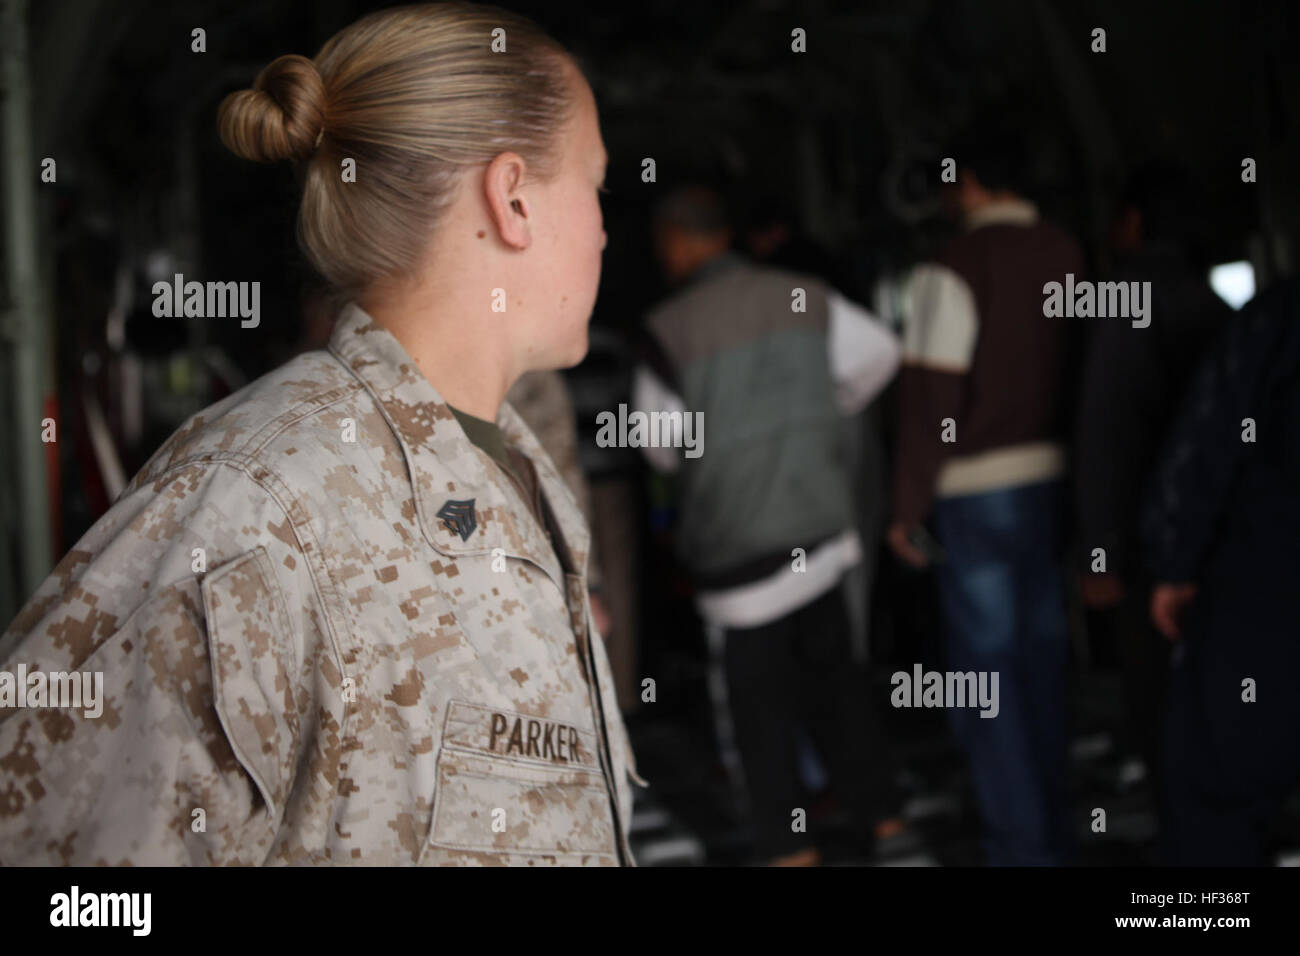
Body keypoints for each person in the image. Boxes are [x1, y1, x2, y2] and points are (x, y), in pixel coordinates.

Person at [0, 2, 645, 865]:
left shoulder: (514, 469)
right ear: (513, 197)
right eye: (597, 184)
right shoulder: (249, 509)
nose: (606, 226)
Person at [634, 184, 903, 866]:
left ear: (680, 241)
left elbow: (659, 442)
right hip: (819, 526)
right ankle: (883, 819)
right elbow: (880, 354)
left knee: (759, 711)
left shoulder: (671, 328)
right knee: (838, 683)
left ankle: (790, 847)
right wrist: (819, 416)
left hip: (737, 549)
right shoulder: (801, 295)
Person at [886, 128, 1083, 865]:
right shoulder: (1066, 251)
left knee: (987, 684)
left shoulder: (952, 265)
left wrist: (906, 504)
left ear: (966, 182)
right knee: (1044, 669)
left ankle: (1019, 847)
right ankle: (1055, 835)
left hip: (976, 491)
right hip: (1053, 482)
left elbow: (932, 396)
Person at [1074, 162, 1230, 813]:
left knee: (1157, 696)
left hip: (1147, 532)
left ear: (1133, 222)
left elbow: (1106, 428)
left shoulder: (1124, 296)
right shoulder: (1212, 300)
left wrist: (1097, 549)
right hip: (1214, 528)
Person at [1143, 277, 1300, 866]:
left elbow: (1209, 440)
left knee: (1215, 793)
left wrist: (1175, 561)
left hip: (1270, 582)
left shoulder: (1278, 317)